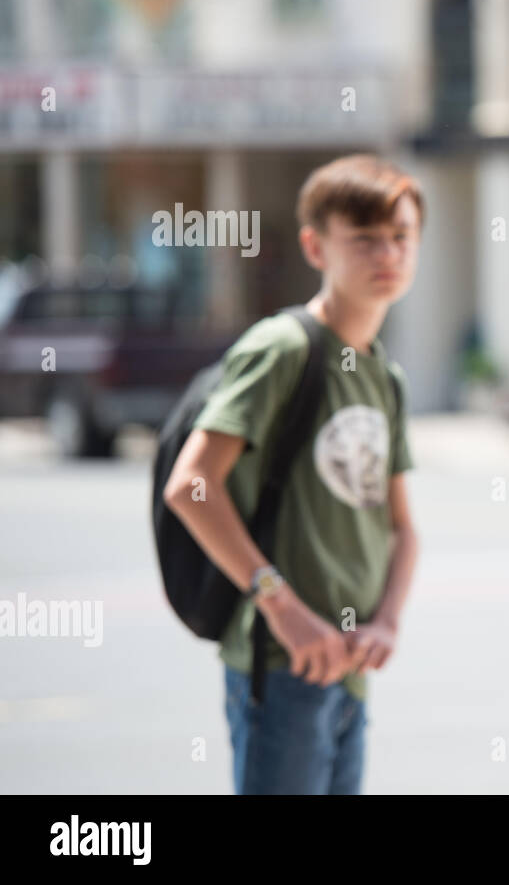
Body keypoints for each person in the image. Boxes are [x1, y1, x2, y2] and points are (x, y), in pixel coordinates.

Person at [164, 154, 422, 794]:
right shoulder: (283, 348)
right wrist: (280, 604)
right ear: (315, 245)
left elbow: (402, 527)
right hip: (282, 661)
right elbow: (190, 486)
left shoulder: (384, 374)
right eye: (363, 238)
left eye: (400, 237)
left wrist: (387, 621)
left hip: (350, 665)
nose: (386, 253)